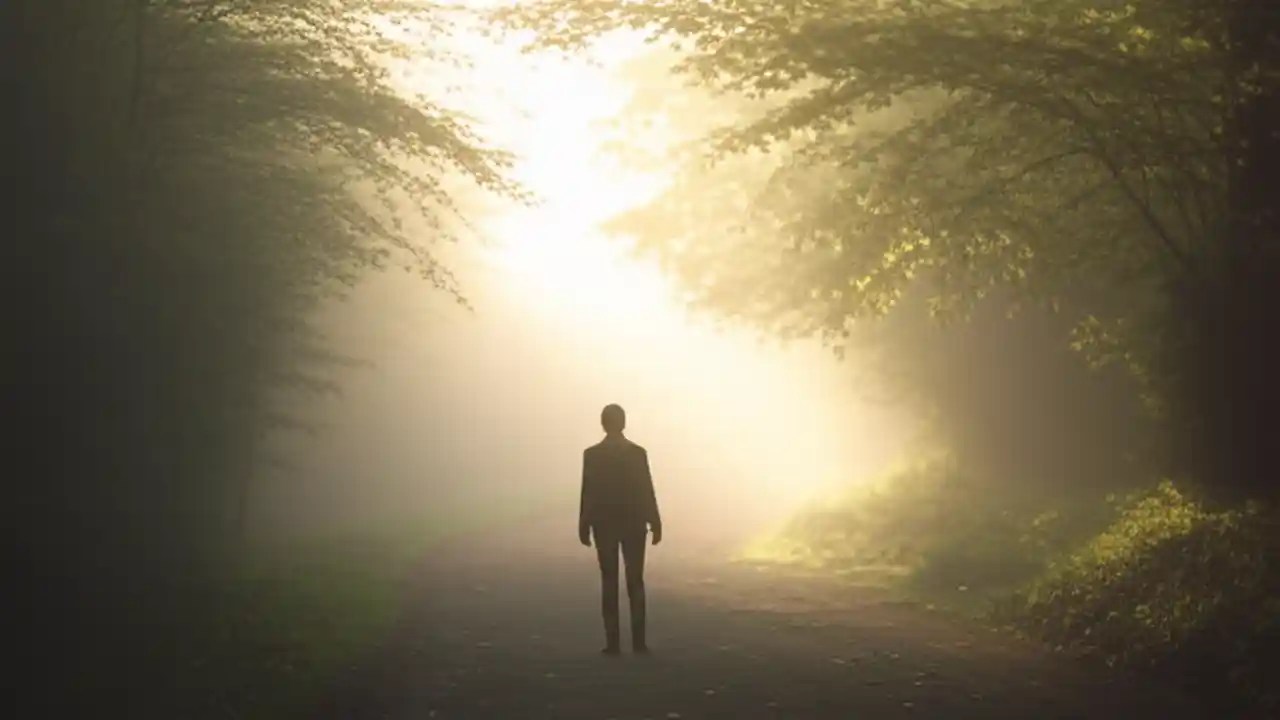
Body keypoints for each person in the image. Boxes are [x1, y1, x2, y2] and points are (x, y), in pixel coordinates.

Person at [579, 404, 662, 655]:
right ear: (623, 423)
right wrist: (655, 521)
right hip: (634, 523)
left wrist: (583, 523)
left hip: (604, 525)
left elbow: (588, 492)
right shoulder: (637, 453)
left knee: (609, 581)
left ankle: (613, 642)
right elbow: (646, 489)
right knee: (635, 581)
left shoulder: (592, 455)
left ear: (603, 423)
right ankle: (638, 641)